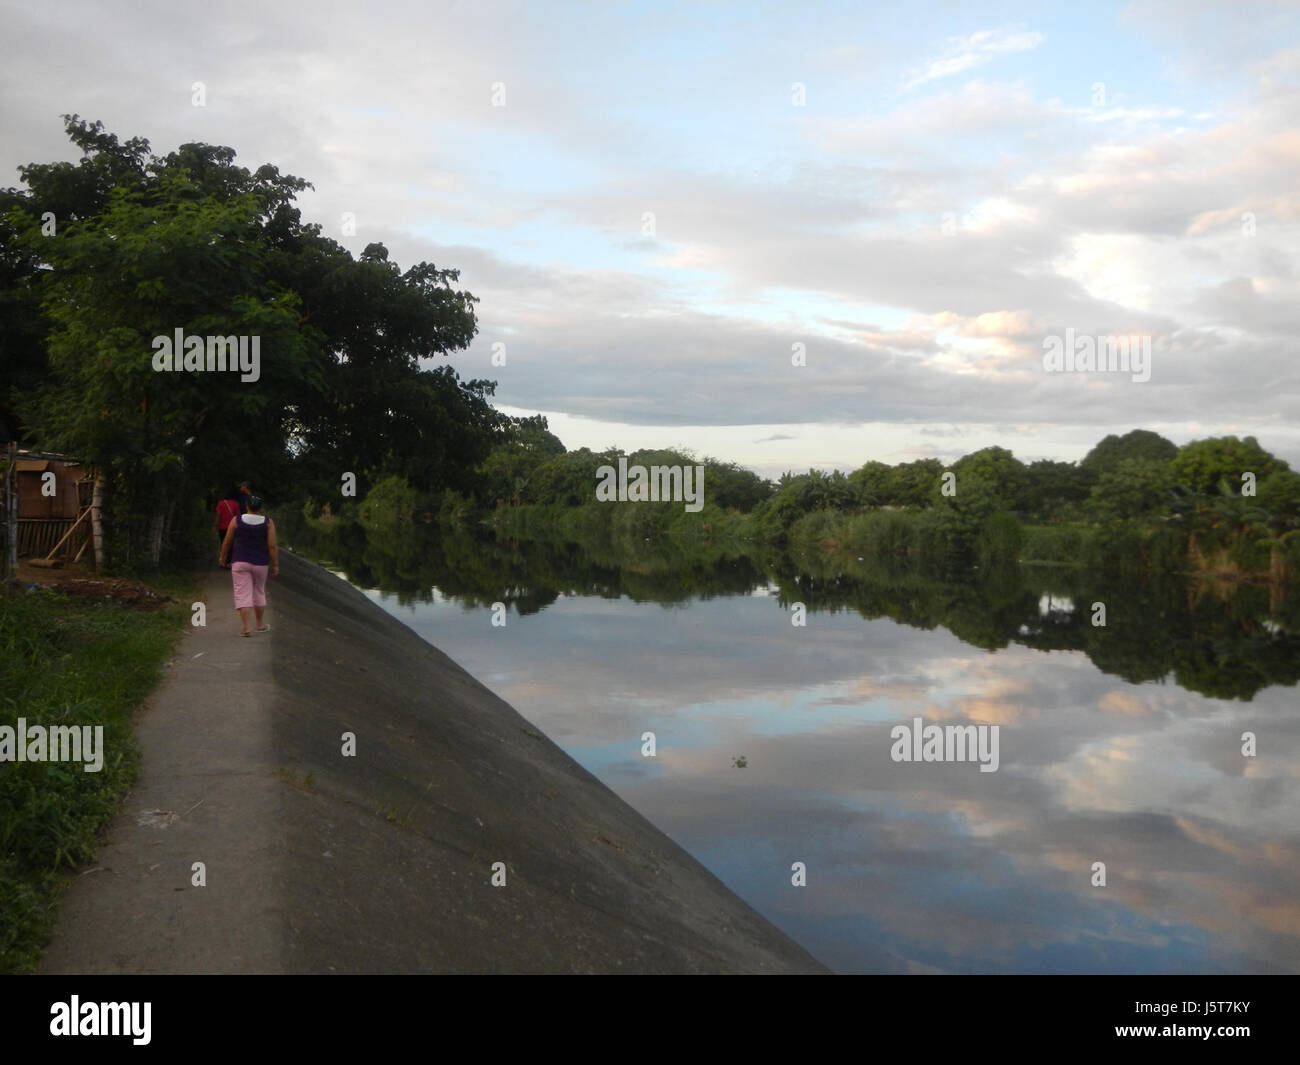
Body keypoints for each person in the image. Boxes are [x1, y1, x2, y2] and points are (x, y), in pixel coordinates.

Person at [218, 495, 279, 636]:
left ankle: (246, 628)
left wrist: (222, 557)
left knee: (242, 594)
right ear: (260, 507)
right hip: (261, 563)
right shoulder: (268, 523)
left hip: (240, 561)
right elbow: (272, 546)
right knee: (259, 591)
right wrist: (275, 564)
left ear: (246, 505)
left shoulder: (237, 520)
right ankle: (259, 624)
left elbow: (227, 541)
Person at [213, 491, 242, 556]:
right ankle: (229, 561)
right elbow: (238, 517)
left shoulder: (220, 503)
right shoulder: (236, 504)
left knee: (223, 543)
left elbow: (218, 515)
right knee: (231, 544)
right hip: (232, 528)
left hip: (222, 528)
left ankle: (223, 560)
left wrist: (215, 526)